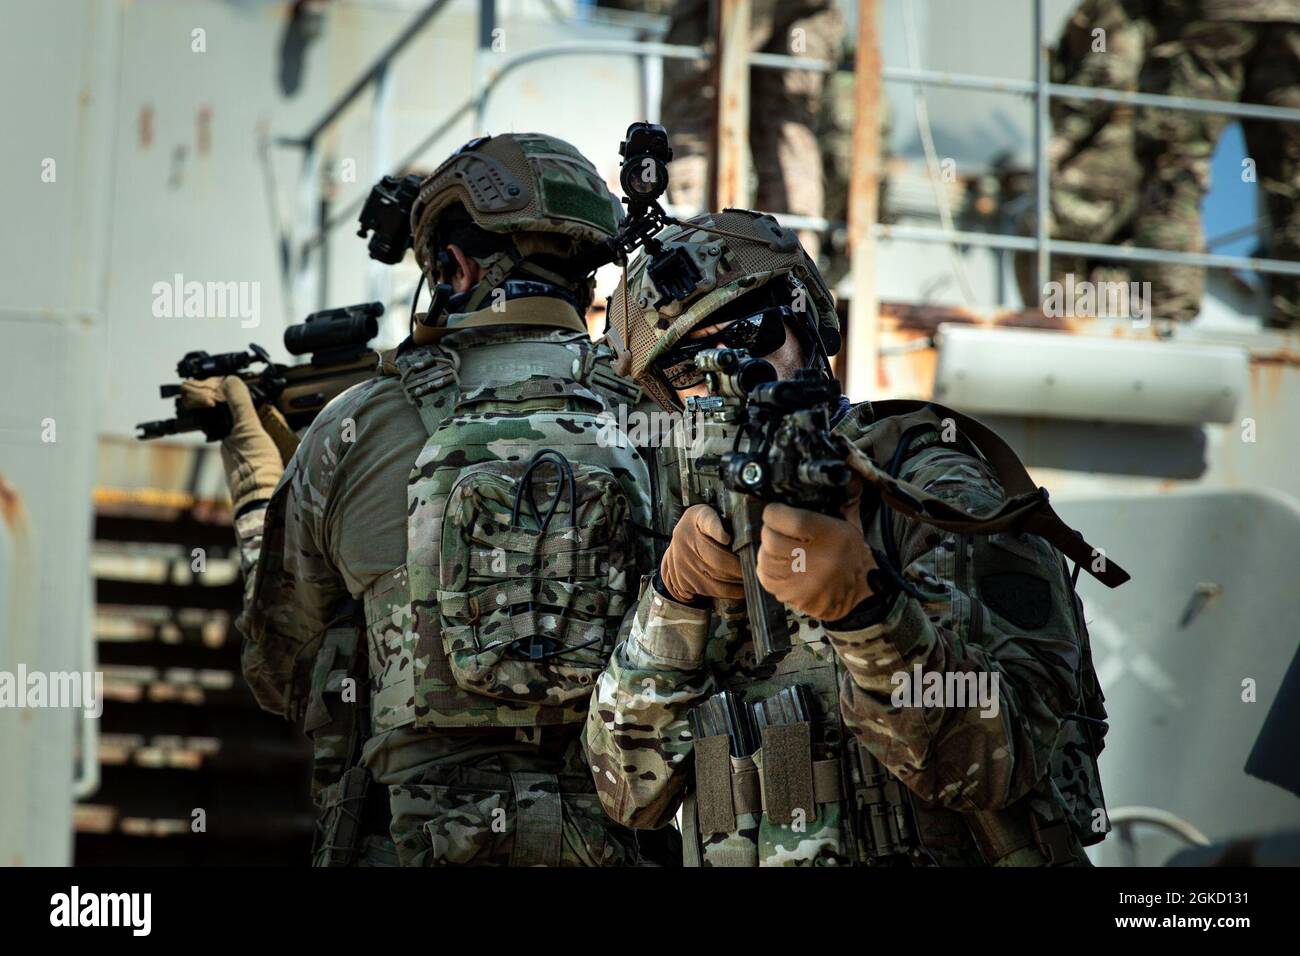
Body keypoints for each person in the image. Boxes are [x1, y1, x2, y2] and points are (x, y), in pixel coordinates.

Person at [189, 132, 668, 866]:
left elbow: (281, 667)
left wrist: (258, 485)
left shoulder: (352, 428)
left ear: (455, 267)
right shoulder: (662, 421)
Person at [587, 208, 1115, 866]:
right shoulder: (687, 512)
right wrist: (675, 601)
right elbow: (627, 792)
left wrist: (865, 614)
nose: (732, 378)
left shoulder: (927, 482)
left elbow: (998, 758)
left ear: (807, 321)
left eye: (754, 334)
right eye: (687, 369)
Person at [1132, 0, 1300, 325]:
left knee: (1175, 167)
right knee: (1295, 176)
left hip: (1210, 16)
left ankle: (1167, 314)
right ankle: (1295, 317)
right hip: (1289, 18)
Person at [660, 0, 844, 259]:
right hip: (803, 19)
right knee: (788, 122)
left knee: (693, 115)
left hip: (728, 13)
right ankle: (794, 260)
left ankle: (696, 252)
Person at [1016, 0, 1151, 310]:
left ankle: (1059, 319)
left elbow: (1112, 69)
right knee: (1111, 252)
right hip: (1127, 156)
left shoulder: (1111, 8)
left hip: (1108, 153)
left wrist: (1064, 140)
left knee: (1046, 229)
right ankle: (1108, 321)